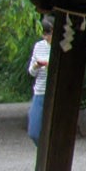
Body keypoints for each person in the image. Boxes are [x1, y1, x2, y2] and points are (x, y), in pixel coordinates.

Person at [26, 15, 53, 144]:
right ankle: (44, 153)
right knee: (34, 132)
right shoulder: (39, 46)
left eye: (49, 33)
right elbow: (31, 71)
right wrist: (37, 65)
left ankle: (51, 156)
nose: (46, 37)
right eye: (44, 34)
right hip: (40, 91)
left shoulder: (61, 46)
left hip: (54, 92)